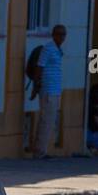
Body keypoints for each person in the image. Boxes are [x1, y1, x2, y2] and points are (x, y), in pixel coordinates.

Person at [32, 24, 65, 159]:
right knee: (46, 121)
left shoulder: (58, 50)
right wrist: (36, 86)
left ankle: (41, 149)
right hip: (48, 90)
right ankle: (40, 152)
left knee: (49, 121)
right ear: (53, 35)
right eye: (59, 34)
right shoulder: (48, 48)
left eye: (63, 34)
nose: (61, 37)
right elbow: (40, 67)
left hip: (55, 90)